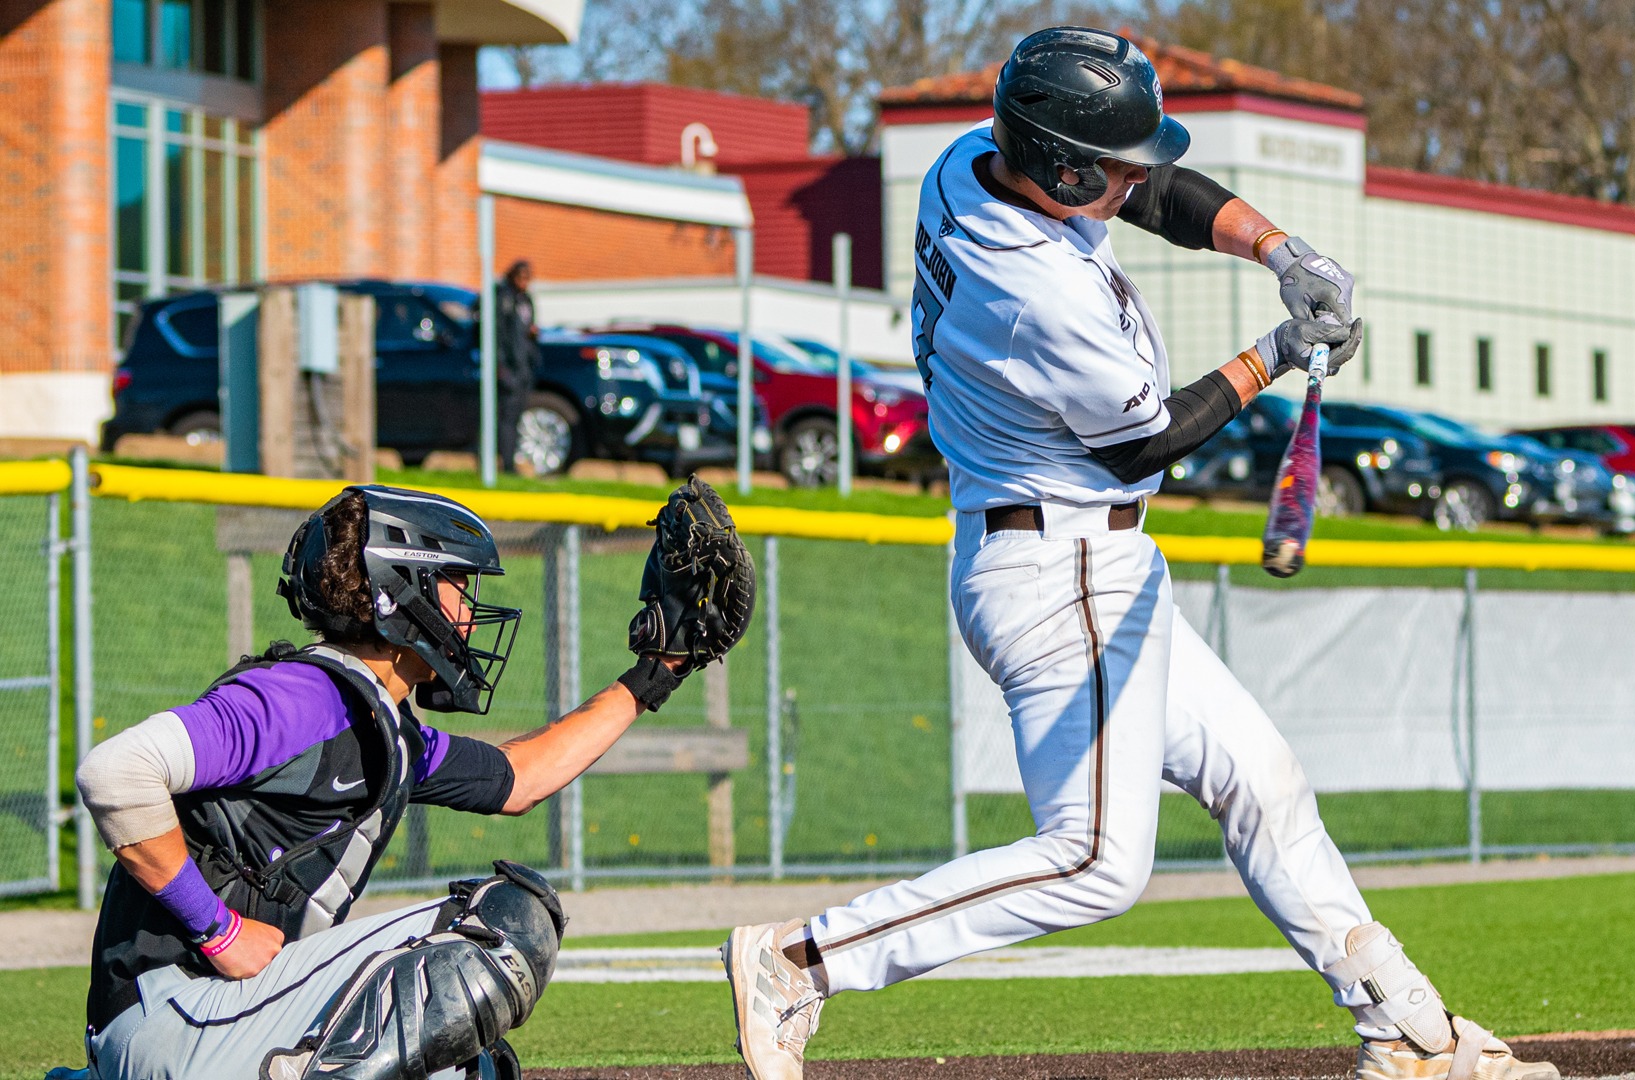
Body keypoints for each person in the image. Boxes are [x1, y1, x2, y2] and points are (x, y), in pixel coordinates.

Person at [721, 27, 1558, 1080]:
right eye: (1110, 165)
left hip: (1081, 560)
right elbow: (1144, 441)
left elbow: (1153, 192)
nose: (1134, 179)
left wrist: (1281, 250)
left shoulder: (970, 163)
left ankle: (1407, 1033)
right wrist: (1277, 350)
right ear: (1061, 166)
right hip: (1058, 568)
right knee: (1095, 864)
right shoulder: (1034, 289)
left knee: (1262, 781)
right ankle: (801, 963)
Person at [68, 479, 749, 1080]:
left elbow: (520, 776)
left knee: (469, 1065)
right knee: (499, 927)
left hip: (207, 1023)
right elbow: (116, 772)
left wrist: (658, 672)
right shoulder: (305, 699)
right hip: (172, 1016)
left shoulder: (381, 725)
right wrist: (217, 930)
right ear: (403, 590)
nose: (468, 611)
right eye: (457, 585)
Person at [495, 261, 541, 471]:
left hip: (523, 368)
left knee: (516, 417)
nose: (524, 282)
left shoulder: (526, 300)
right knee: (506, 418)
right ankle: (506, 464)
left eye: (527, 277)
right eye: (520, 277)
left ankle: (510, 459)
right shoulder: (504, 297)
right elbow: (499, 335)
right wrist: (501, 366)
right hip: (509, 367)